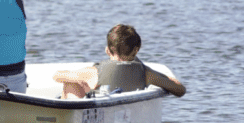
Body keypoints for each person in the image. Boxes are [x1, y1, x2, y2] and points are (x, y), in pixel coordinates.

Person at [54, 24, 185, 98]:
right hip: (125, 120)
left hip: (97, 119)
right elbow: (180, 90)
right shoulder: (146, 74)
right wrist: (166, 79)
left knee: (69, 83)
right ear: (136, 50)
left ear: (107, 50)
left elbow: (57, 76)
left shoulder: (94, 73)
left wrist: (79, 80)